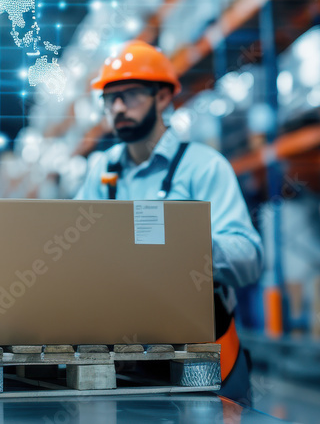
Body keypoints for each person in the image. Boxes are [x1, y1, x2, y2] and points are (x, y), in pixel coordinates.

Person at [75, 40, 263, 404]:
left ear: (162, 97)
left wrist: (186, 245)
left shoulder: (204, 167)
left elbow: (249, 260)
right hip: (121, 357)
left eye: (129, 96)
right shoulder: (101, 171)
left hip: (202, 355)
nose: (117, 107)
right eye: (109, 98)